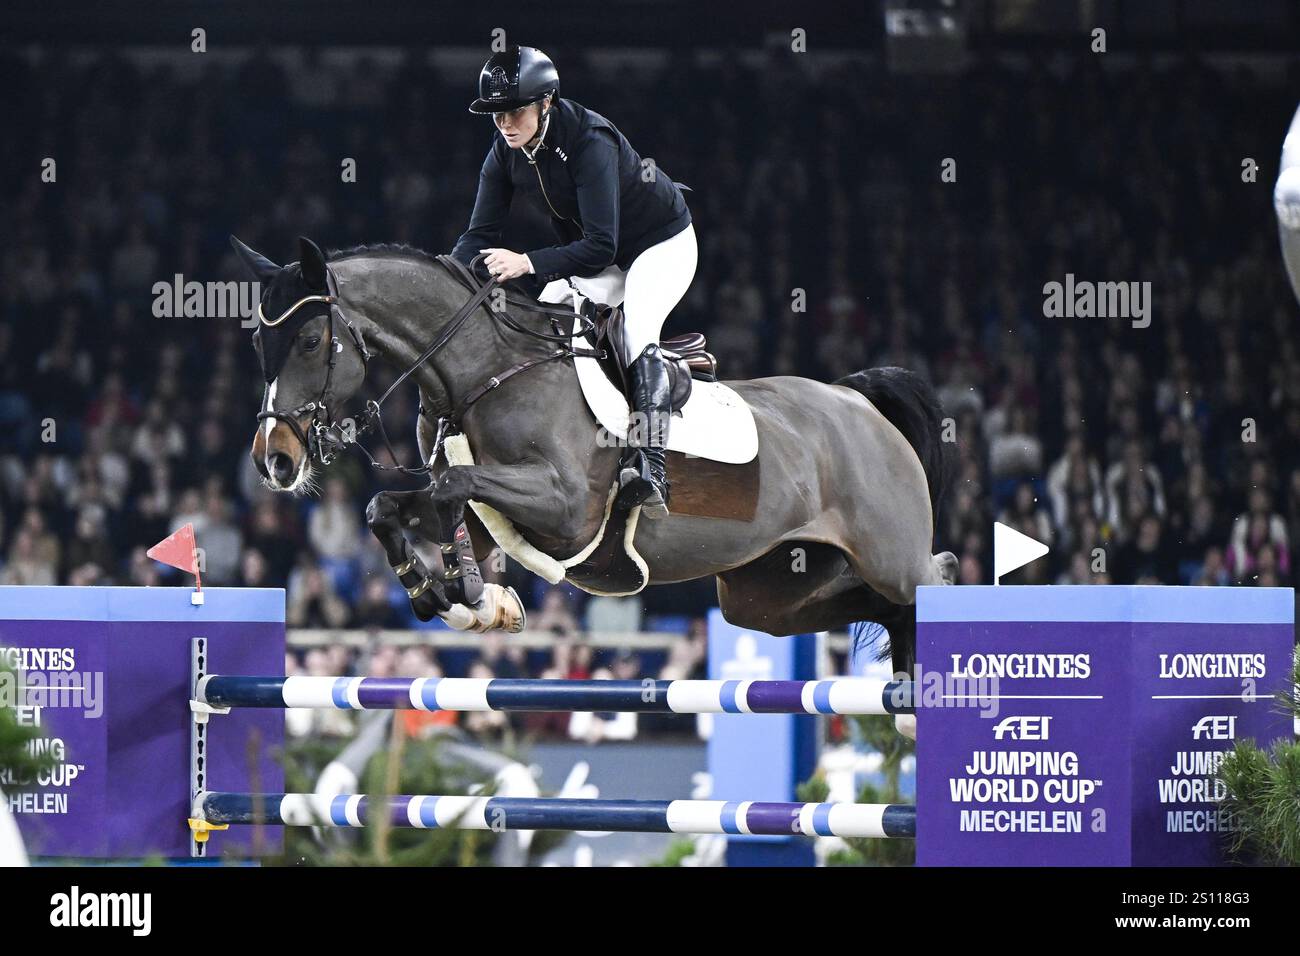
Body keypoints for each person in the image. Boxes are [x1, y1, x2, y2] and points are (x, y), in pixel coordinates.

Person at [451, 45, 695, 518]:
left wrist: (525, 261)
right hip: (603, 258)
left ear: (545, 103)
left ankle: (652, 466)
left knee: (637, 328)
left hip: (661, 246)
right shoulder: (506, 150)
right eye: (497, 115)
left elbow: (602, 246)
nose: (505, 124)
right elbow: (479, 233)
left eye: (515, 111)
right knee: (546, 313)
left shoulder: (589, 141)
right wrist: (441, 279)